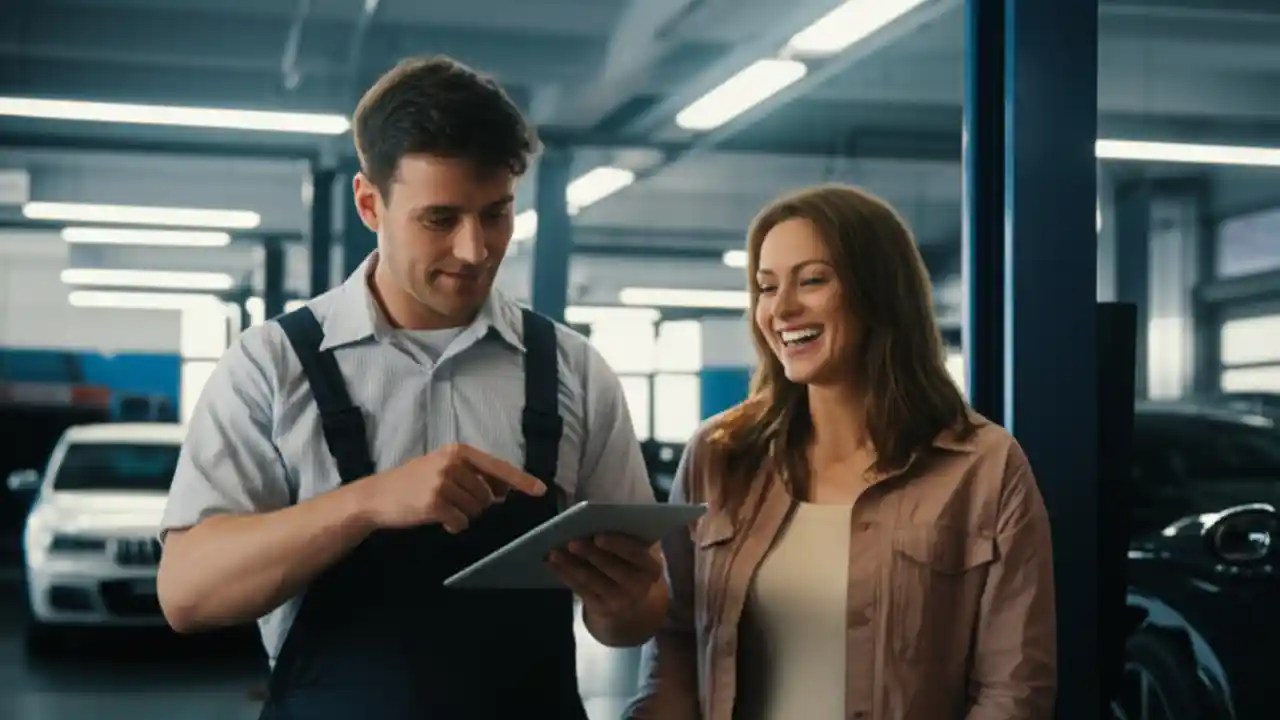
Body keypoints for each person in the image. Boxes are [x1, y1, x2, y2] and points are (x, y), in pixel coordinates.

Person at [157, 55, 668, 720]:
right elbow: (187, 595)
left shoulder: (574, 370)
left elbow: (635, 618)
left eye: (496, 214)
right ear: (370, 203)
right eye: (440, 219)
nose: (475, 249)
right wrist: (367, 503)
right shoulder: (271, 367)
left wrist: (628, 602)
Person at [626, 184, 1057, 720]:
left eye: (812, 280)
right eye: (766, 287)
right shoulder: (719, 456)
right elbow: (673, 649)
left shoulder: (982, 467)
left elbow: (1014, 691)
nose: (782, 308)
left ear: (879, 292)